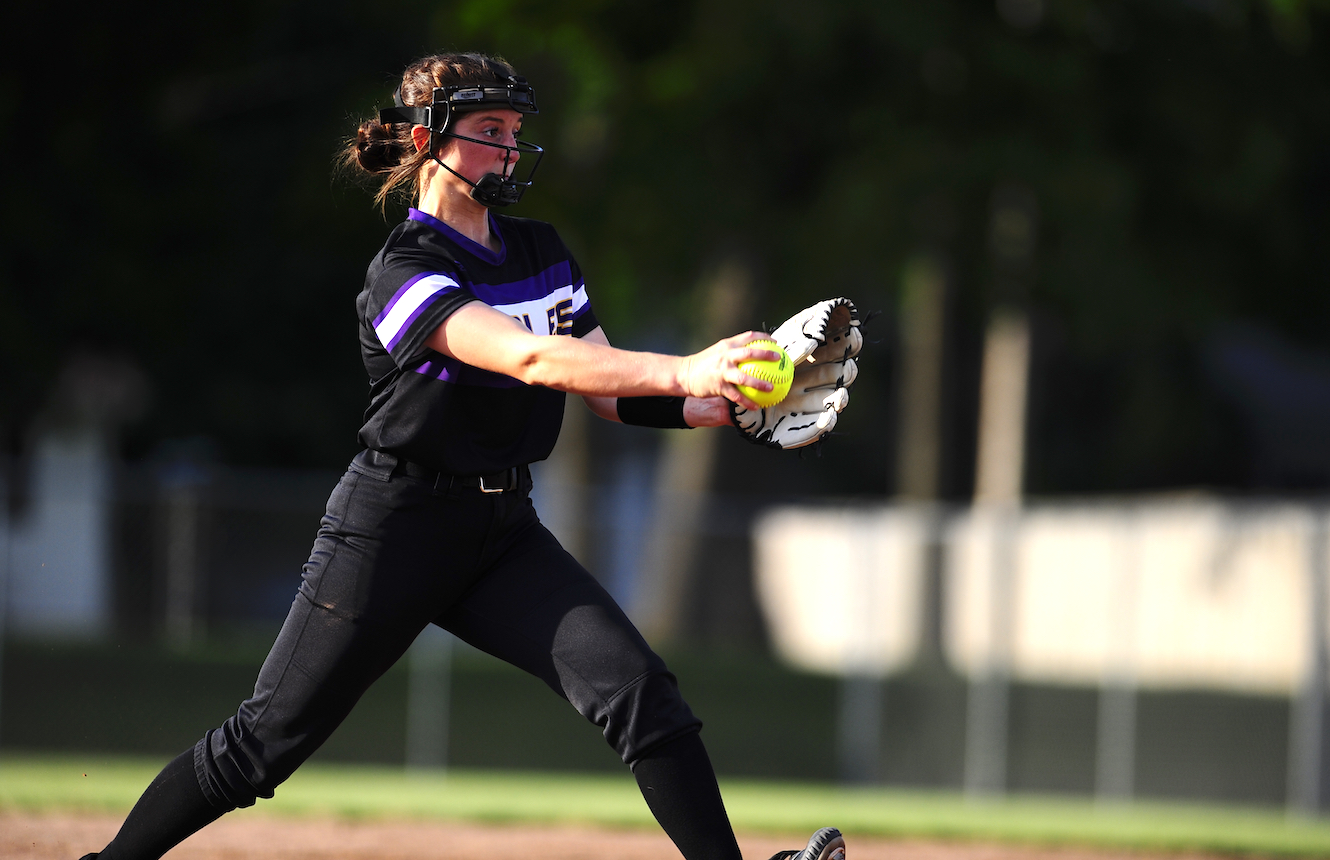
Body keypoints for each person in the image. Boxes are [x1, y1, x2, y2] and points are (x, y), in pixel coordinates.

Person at [79, 52, 849, 860]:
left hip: (502, 531)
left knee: (641, 693)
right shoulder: (404, 270)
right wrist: (688, 364)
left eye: (516, 131)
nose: (511, 148)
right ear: (425, 140)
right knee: (261, 745)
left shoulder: (541, 249)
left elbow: (608, 388)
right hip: (392, 526)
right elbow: (528, 359)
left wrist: (717, 404)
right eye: (489, 131)